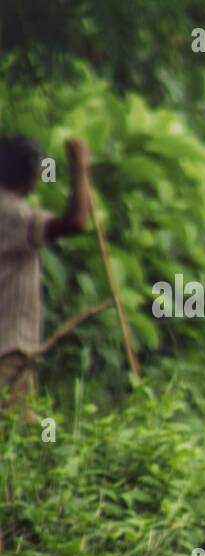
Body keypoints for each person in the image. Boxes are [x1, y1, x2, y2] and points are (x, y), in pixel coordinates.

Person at [0, 135, 93, 415]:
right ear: (28, 174)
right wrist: (80, 168)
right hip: (7, 347)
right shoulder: (13, 214)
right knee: (19, 436)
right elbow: (75, 222)